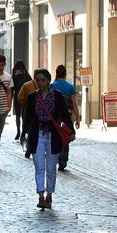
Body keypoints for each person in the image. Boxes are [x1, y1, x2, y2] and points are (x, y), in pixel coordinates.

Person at [22, 67, 72, 210]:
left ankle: (49, 195)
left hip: (53, 135)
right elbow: (27, 117)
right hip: (37, 134)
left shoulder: (57, 95)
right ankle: (40, 196)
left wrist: (71, 130)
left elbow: (64, 114)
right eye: (37, 80)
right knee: (39, 167)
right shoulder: (32, 97)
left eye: (43, 80)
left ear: (49, 81)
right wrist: (23, 133)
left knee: (51, 168)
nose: (40, 83)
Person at [50, 64, 80, 172]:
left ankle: (57, 156)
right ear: (65, 74)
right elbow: (75, 104)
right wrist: (77, 119)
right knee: (65, 136)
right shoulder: (71, 87)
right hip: (67, 115)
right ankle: (63, 159)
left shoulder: (52, 86)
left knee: (55, 136)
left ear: (56, 74)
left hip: (55, 115)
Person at [17, 71, 37, 156]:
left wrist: (26, 102)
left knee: (28, 128)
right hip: (40, 111)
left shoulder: (26, 85)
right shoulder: (46, 85)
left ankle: (29, 147)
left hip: (27, 109)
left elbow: (20, 98)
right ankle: (32, 146)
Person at [11, 60, 31, 141]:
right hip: (26, 98)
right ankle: (23, 131)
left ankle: (18, 132)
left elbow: (12, 88)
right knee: (24, 115)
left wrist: (10, 98)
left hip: (17, 97)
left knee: (17, 115)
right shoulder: (27, 75)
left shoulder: (14, 76)